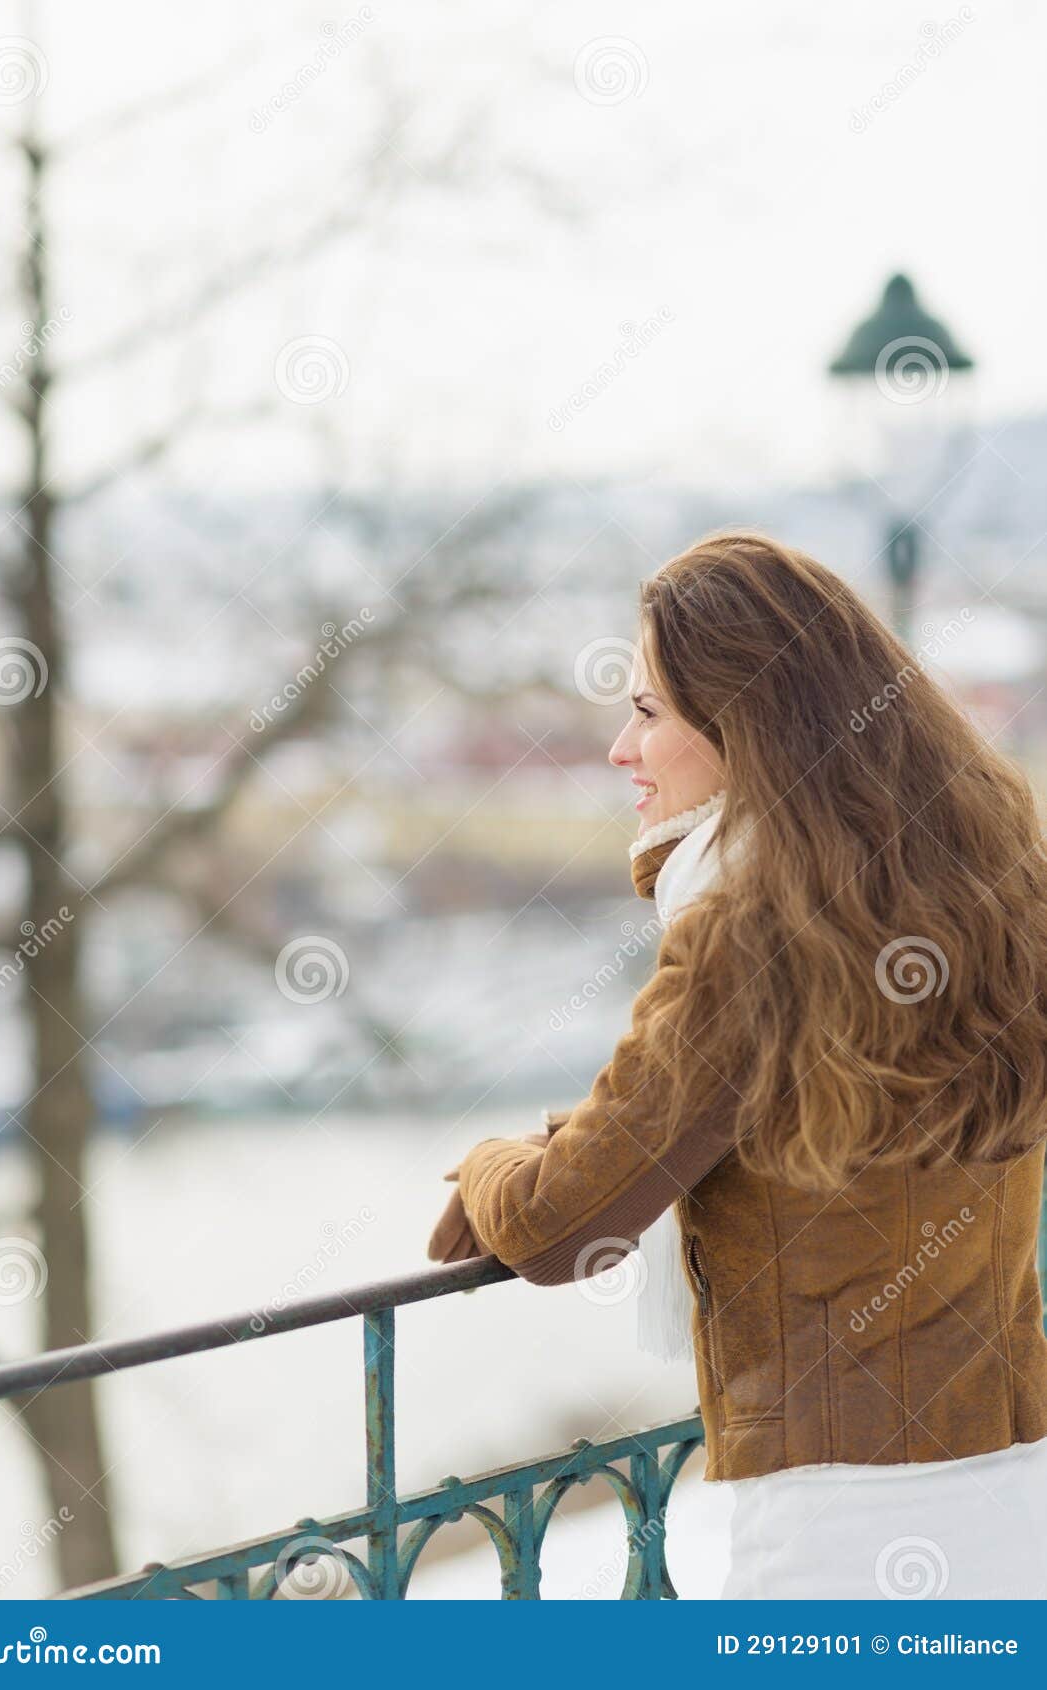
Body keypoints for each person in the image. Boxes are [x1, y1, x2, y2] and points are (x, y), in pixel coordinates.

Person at [427, 530, 1047, 1599]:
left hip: (841, 1525)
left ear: (748, 724)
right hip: (1014, 1477)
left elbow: (558, 1225)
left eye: (648, 711)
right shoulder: (990, 888)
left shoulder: (751, 931)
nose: (621, 749)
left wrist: (487, 1164)